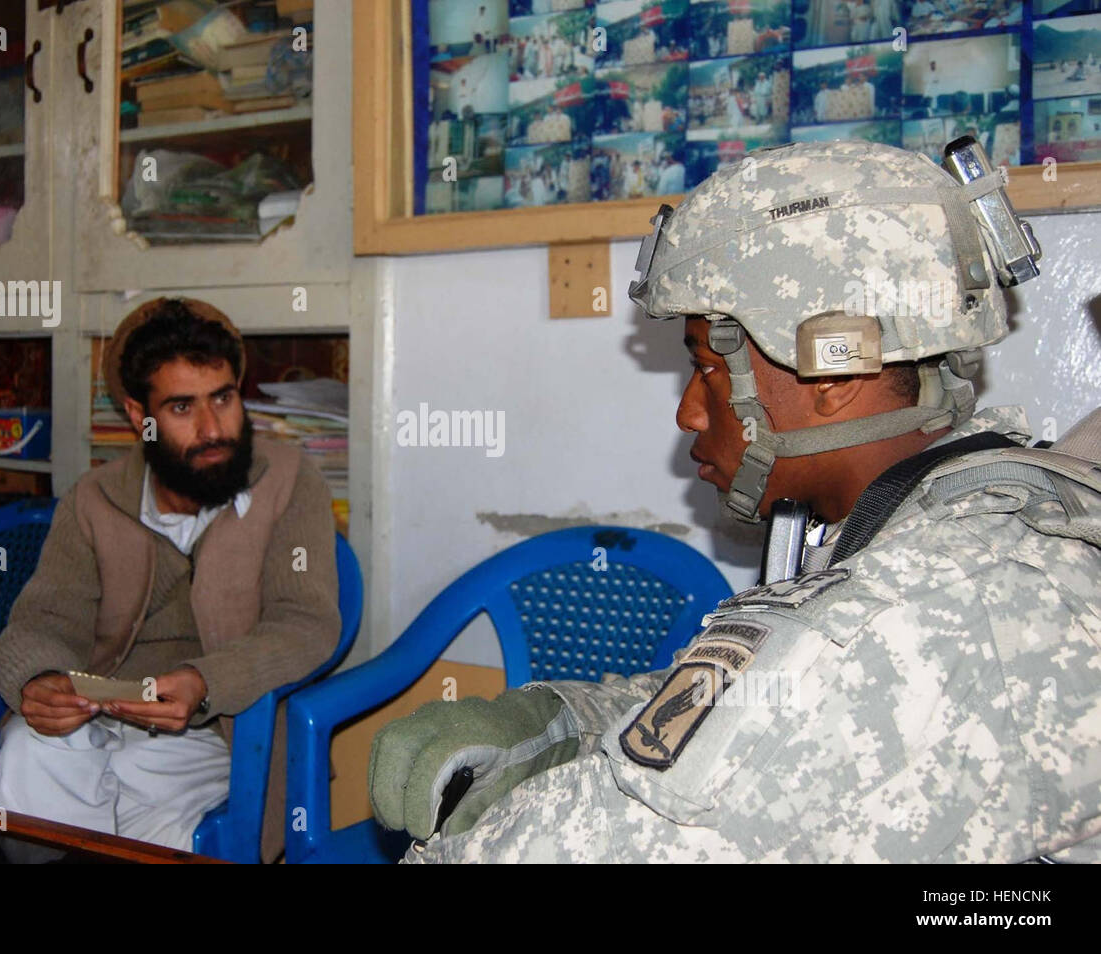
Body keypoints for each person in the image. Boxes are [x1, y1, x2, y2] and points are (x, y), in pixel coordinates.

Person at [369, 139, 1101, 863]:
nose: (690, 412)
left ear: (832, 377)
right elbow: (739, 704)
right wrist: (561, 720)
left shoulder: (884, 622)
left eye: (706, 369)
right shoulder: (969, 517)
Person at [0, 298, 341, 862]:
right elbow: (45, 617)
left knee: (147, 831)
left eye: (223, 397)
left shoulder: (288, 481)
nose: (213, 428)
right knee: (26, 749)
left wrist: (204, 681)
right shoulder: (95, 498)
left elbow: (306, 624)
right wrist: (39, 679)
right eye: (182, 407)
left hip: (220, 731)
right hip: (99, 716)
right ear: (138, 412)